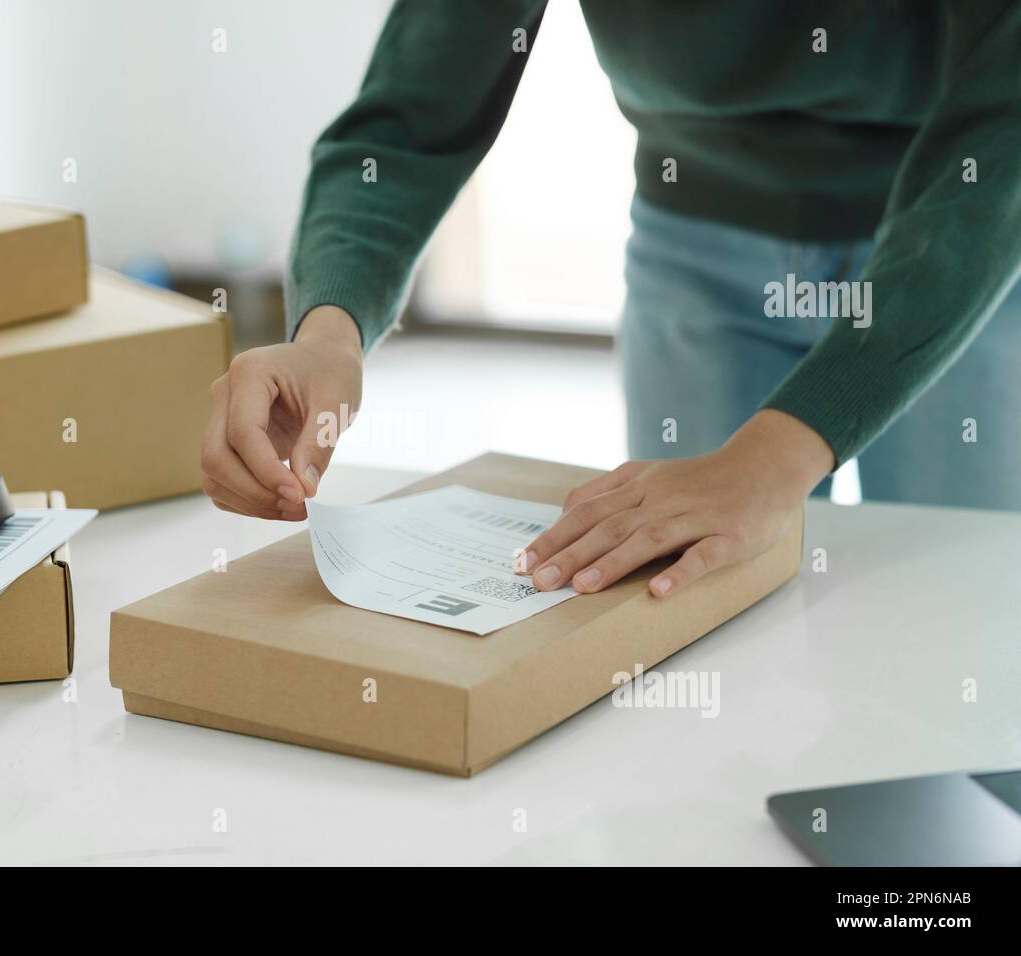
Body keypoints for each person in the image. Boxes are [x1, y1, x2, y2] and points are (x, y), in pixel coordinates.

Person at [199, 0, 1021, 600]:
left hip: (959, 248)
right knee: (688, 623)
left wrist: (771, 462)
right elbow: (405, 121)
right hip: (694, 239)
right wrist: (329, 333)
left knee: (961, 626)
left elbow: (1003, 132)